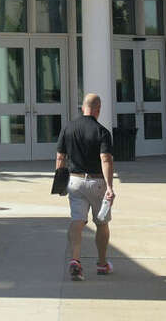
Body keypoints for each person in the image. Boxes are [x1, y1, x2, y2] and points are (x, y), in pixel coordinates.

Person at [54, 93, 117, 279]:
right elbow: (105, 159)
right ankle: (102, 264)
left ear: (83, 108)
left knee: (77, 220)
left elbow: (60, 157)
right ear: (98, 109)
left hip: (75, 181)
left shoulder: (68, 128)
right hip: (97, 183)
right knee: (102, 222)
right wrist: (110, 186)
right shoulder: (102, 132)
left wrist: (60, 182)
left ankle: (75, 260)